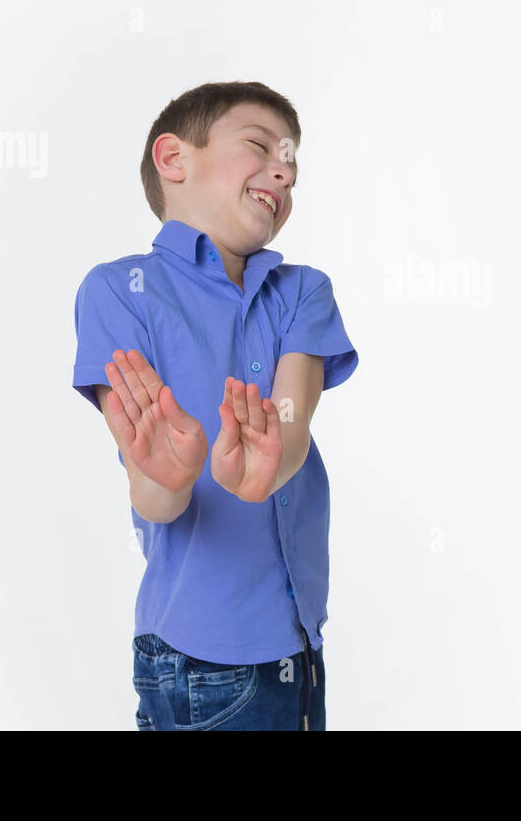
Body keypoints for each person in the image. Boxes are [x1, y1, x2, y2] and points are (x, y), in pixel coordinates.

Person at [70, 81, 359, 730]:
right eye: (259, 145)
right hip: (199, 664)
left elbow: (292, 420)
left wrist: (269, 464)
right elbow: (154, 497)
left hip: (299, 648)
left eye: (290, 160)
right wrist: (165, 477)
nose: (283, 170)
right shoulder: (121, 291)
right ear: (174, 159)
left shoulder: (303, 291)